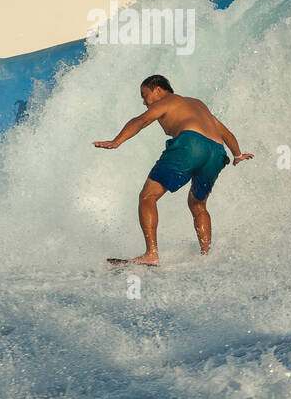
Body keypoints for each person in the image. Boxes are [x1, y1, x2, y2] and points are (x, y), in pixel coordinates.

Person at [93, 75, 252, 265]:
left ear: (158, 90)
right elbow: (225, 133)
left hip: (190, 144)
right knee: (198, 205)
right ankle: (207, 254)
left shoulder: (168, 100)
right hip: (217, 152)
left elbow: (141, 120)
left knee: (147, 197)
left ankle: (151, 254)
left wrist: (116, 141)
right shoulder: (197, 104)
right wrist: (237, 155)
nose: (145, 102)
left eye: (145, 96)